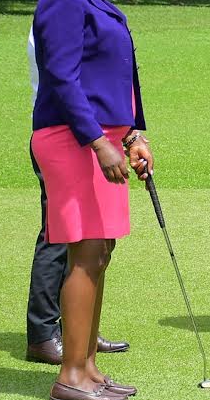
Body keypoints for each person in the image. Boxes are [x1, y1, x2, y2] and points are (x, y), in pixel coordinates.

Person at [30, 0, 152, 400]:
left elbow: (124, 73)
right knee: (84, 253)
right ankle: (70, 377)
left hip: (105, 139)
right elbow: (62, 77)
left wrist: (135, 132)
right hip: (74, 140)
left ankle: (87, 367)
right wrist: (98, 141)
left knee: (99, 252)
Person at [24, 26, 131, 364]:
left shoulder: (88, 15)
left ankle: (79, 331)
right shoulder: (61, 15)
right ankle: (43, 334)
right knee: (60, 238)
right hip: (67, 137)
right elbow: (68, 85)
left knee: (97, 243)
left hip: (92, 135)